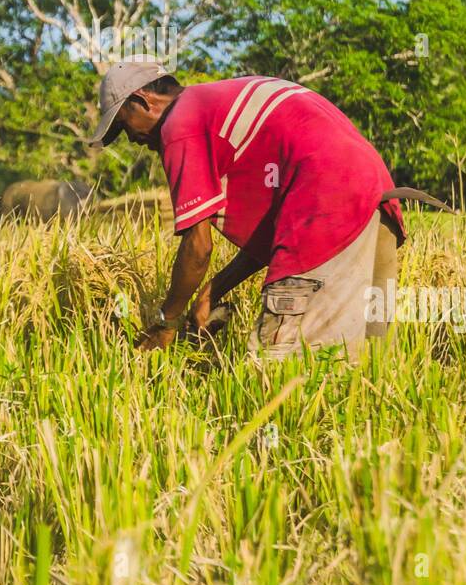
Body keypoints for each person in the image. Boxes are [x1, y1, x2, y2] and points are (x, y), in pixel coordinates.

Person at [89, 60, 407, 360]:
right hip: (375, 196)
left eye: (122, 125)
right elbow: (272, 229)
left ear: (142, 100)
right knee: (364, 368)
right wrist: (212, 291)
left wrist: (166, 321)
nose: (130, 139)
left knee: (282, 368)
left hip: (326, 206)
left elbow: (197, 248)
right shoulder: (218, 100)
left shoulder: (180, 123)